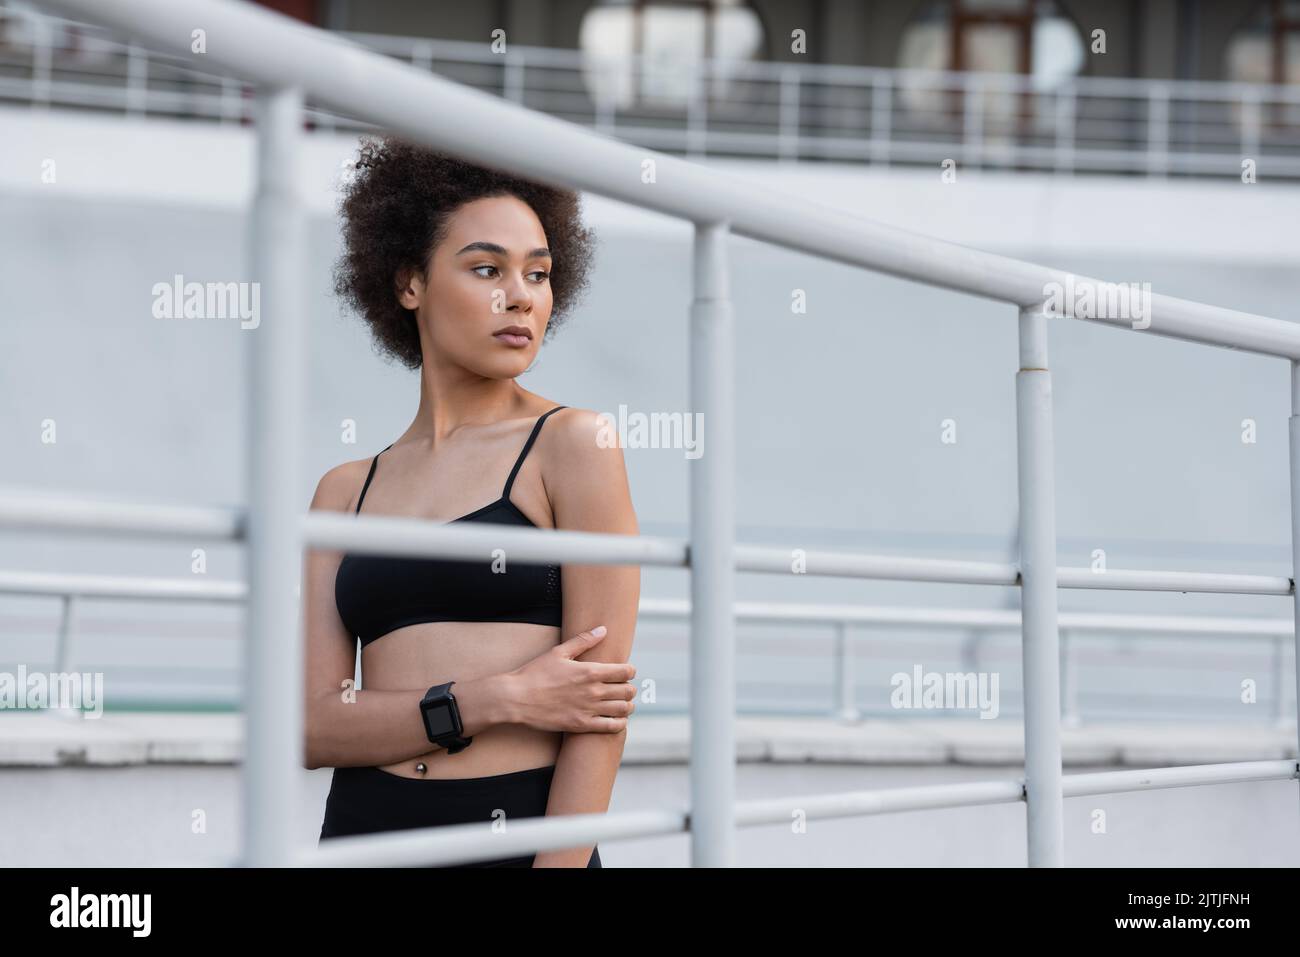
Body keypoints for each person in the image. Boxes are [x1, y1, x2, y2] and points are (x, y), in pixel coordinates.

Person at [304, 135, 641, 867]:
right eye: (487, 268)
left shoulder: (574, 446)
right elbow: (314, 726)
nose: (520, 294)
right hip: (361, 836)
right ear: (409, 283)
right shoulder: (343, 491)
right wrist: (500, 698)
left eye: (539, 273)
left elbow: (598, 717)